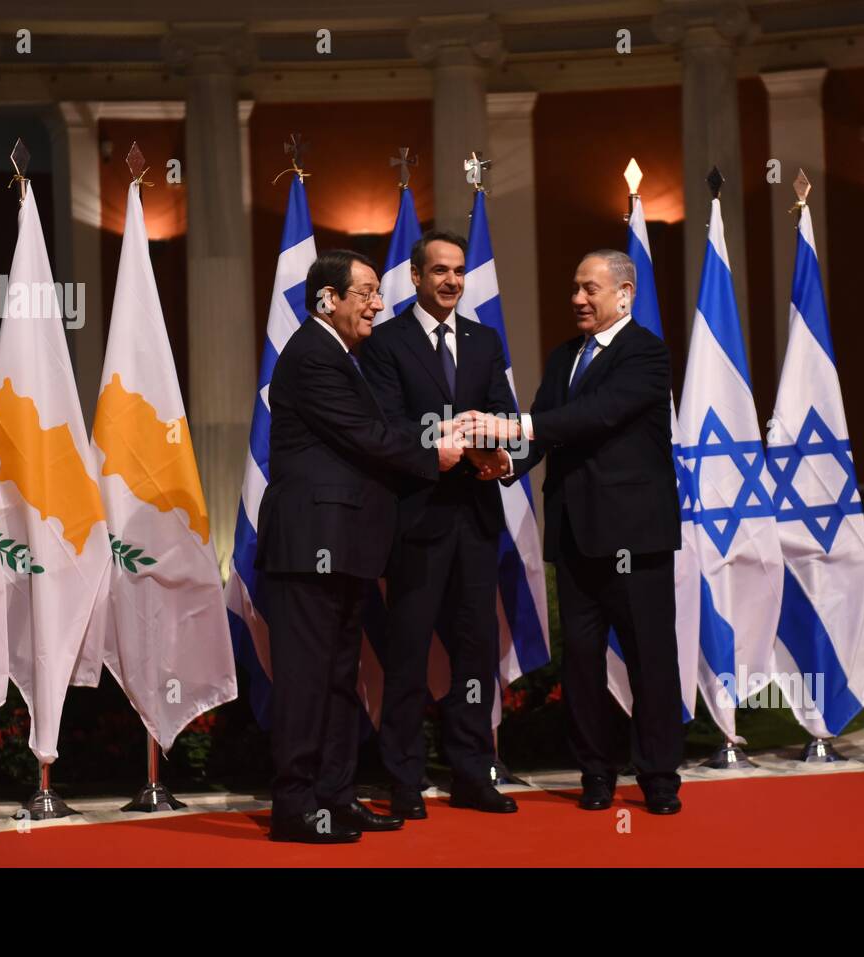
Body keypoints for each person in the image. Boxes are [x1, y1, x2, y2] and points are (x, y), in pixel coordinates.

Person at [456, 250, 685, 814]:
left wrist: (510, 424)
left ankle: (659, 779)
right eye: (575, 289)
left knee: (650, 662)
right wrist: (507, 463)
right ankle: (597, 776)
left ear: (624, 293)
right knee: (581, 665)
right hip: (576, 537)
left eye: (590, 289)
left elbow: (598, 415)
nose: (578, 299)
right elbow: (546, 430)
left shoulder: (646, 354)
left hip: (636, 538)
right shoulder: (563, 358)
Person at [256, 249, 464, 843]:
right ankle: (295, 809)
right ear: (329, 300)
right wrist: (435, 454)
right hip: (311, 544)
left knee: (340, 677)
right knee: (307, 679)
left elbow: (379, 432)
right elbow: (367, 437)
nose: (379, 303)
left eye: (377, 292)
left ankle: (335, 796)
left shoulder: (345, 355)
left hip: (343, 545)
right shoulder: (313, 355)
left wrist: (436, 434)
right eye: (367, 292)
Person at [358, 230, 519, 819]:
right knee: (406, 656)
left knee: (474, 657)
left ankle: (473, 772)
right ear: (417, 278)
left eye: (459, 271)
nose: (452, 280)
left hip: (476, 521)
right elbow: (391, 426)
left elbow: (507, 417)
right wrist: (460, 444)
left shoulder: (484, 340)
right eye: (440, 271)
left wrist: (500, 457)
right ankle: (402, 777)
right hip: (417, 522)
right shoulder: (387, 341)